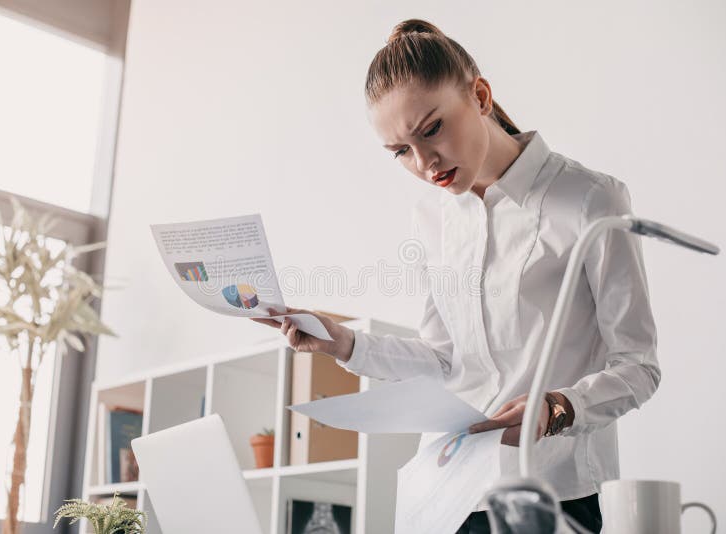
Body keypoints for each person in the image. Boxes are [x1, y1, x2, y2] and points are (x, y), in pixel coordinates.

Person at [252, 18, 659, 534]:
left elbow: (639, 365)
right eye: (400, 151)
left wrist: (557, 408)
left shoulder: (589, 200)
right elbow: (444, 360)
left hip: (550, 494)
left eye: (432, 129)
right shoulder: (433, 217)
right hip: (447, 495)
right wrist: (343, 343)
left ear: (481, 96)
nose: (423, 163)